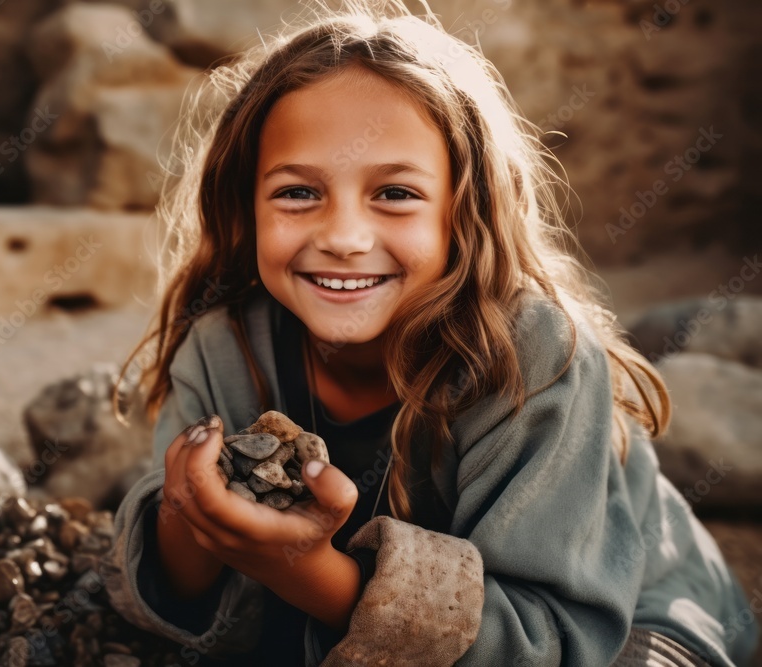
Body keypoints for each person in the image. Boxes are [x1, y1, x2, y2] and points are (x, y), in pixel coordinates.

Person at [98, 1, 760, 665]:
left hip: (633, 621)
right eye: (299, 193)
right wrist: (193, 516)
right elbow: (167, 593)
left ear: (461, 214)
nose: (344, 238)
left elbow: (552, 638)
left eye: (395, 194)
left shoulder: (532, 359)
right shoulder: (224, 349)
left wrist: (307, 570)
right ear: (246, 205)